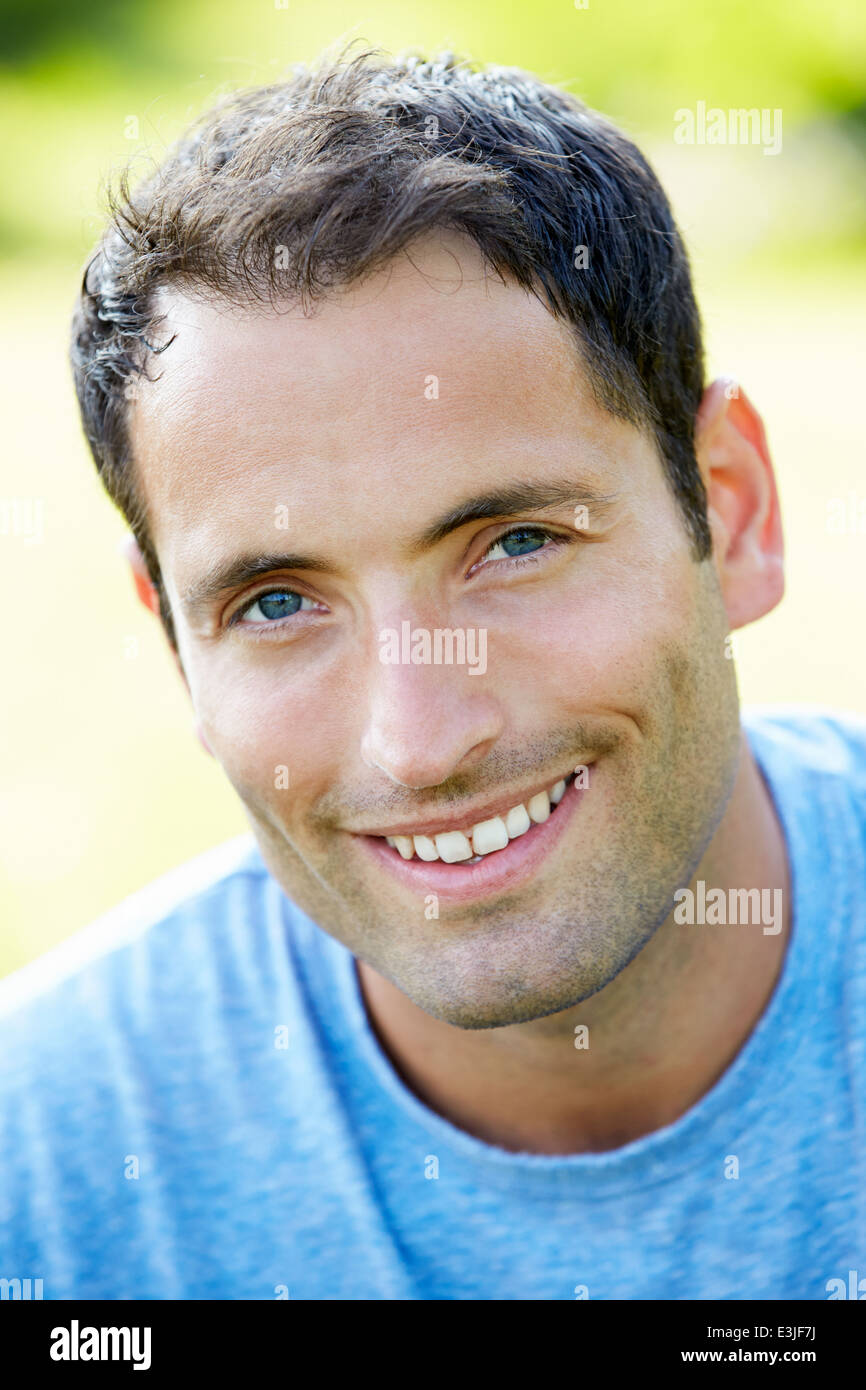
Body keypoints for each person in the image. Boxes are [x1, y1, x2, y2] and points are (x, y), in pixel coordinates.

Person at [1, 46, 863, 1301]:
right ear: (176, 643)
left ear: (727, 510)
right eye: (276, 603)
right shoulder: (41, 1171)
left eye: (515, 543)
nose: (417, 741)